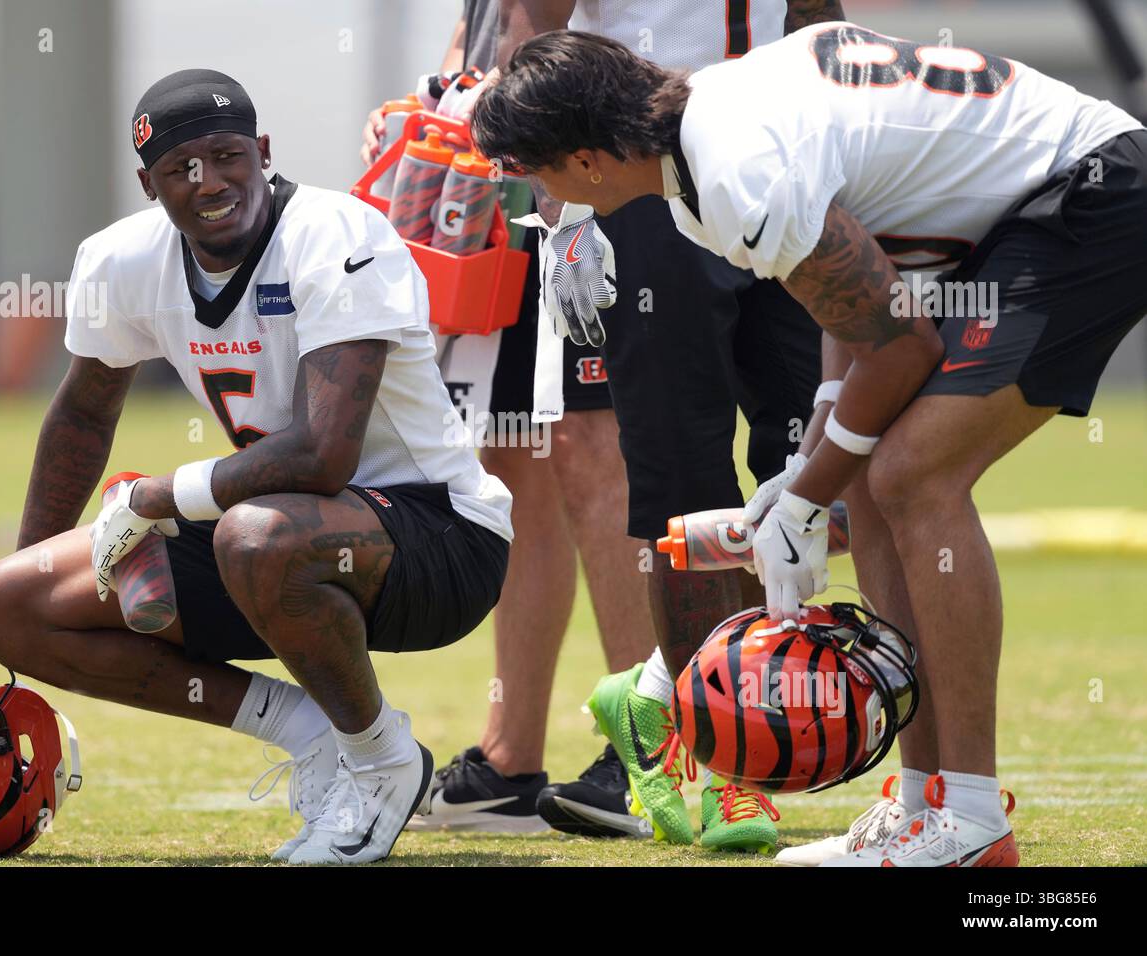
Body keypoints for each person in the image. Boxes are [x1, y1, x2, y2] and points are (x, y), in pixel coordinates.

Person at [471, 24, 1147, 866]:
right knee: (869, 482)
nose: (539, 192)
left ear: (585, 161)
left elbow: (900, 344)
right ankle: (924, 806)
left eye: (532, 169)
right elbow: (854, 310)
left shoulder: (730, 172)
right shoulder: (715, 123)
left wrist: (799, 499)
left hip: (1088, 193)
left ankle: (971, 814)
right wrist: (813, 466)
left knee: (912, 474)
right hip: (1034, 201)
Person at [0, 68, 513, 865]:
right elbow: (82, 413)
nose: (209, 184)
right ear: (149, 185)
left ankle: (382, 760)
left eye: (225, 156)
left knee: (255, 535)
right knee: (14, 605)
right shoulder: (122, 261)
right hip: (273, 536)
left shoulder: (336, 235)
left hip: (438, 541)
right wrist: (23, 562)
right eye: (180, 170)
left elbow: (323, 454)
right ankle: (311, 732)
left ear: (263, 151)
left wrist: (157, 496)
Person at [481, 0, 843, 851]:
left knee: (820, 464)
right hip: (635, 168)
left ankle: (671, 701)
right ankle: (699, 752)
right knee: (683, 479)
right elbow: (535, 25)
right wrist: (563, 214)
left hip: (783, 154)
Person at [359, 0, 653, 838]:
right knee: (517, 457)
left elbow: (535, 19)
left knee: (593, 446)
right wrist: (442, 97)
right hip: (529, 163)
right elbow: (484, 22)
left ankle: (647, 750)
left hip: (576, 164)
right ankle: (510, 756)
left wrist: (482, 113)